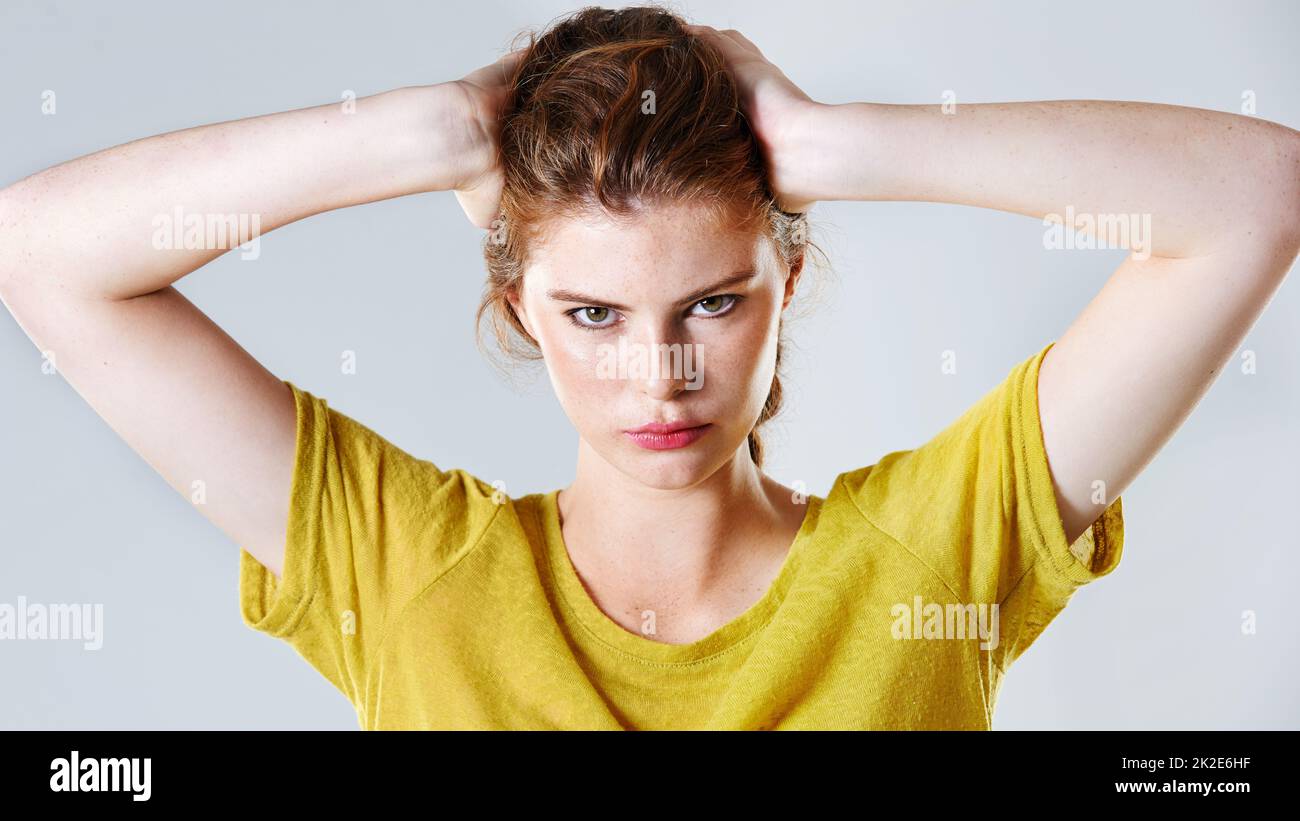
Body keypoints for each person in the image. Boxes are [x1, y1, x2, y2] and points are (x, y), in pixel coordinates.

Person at [1, 6, 1296, 730]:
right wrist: (443, 128)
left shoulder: (932, 559)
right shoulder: (404, 576)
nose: (661, 376)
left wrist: (832, 146)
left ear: (786, 281)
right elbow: (42, 252)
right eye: (596, 314)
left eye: (715, 301)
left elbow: (1259, 197)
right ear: (519, 303)